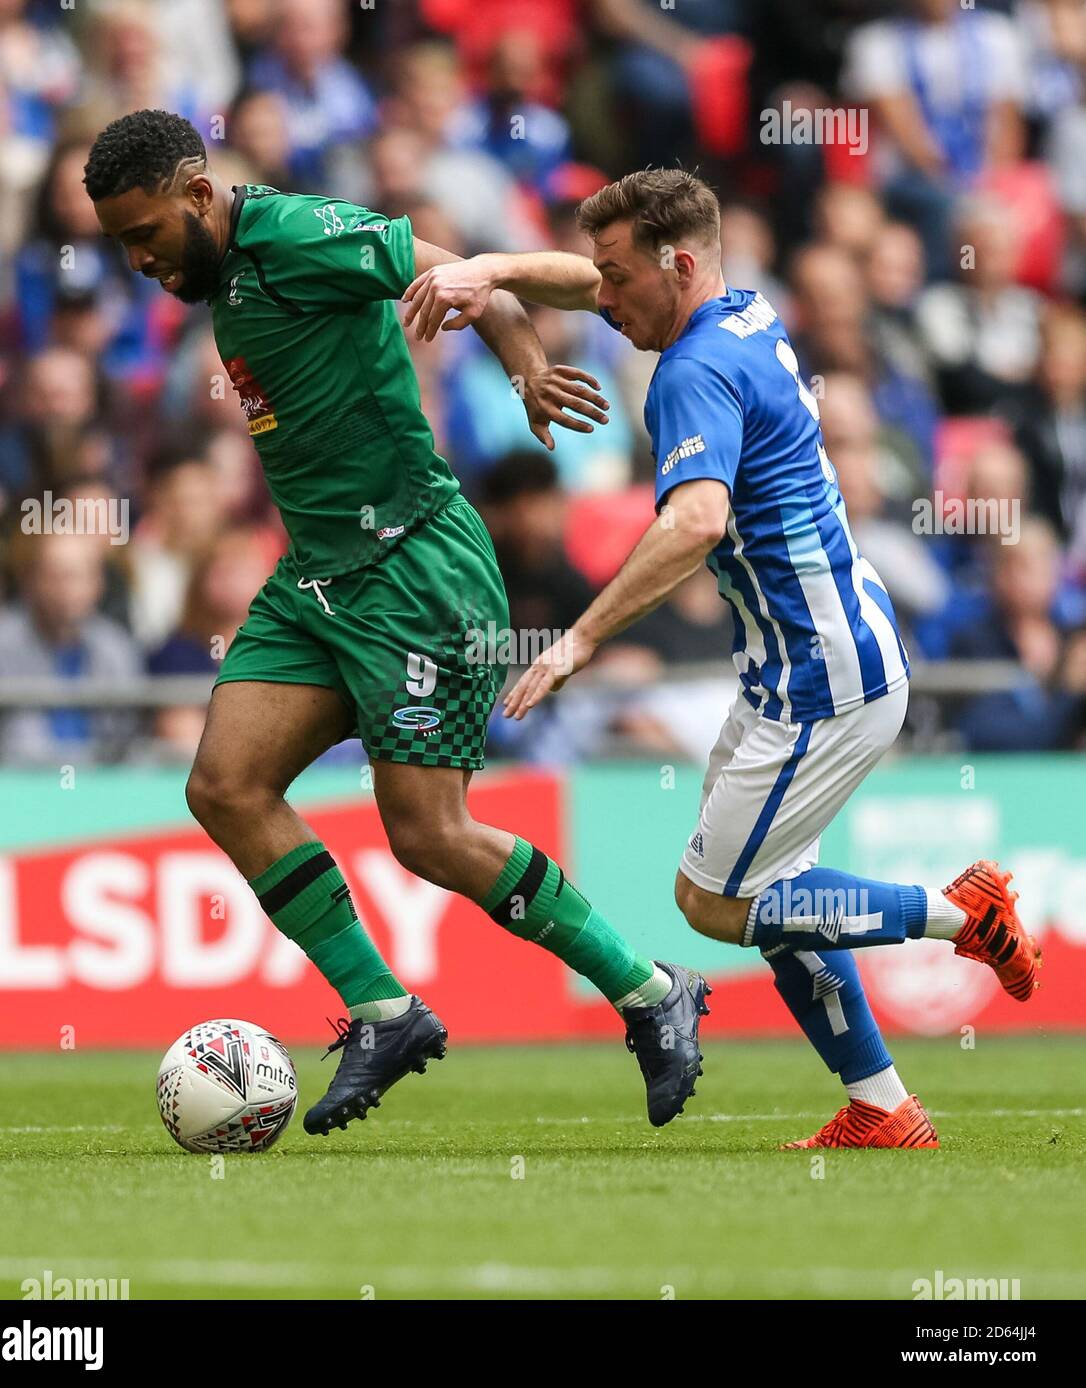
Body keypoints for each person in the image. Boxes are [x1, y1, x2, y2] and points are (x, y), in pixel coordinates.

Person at [84, 109, 710, 1135]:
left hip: (415, 568)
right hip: (319, 580)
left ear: (199, 194)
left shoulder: (299, 234)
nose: (139, 258)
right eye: (121, 242)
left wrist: (520, 365)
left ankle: (650, 989)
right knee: (227, 786)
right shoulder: (223, 270)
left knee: (428, 835)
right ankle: (384, 1009)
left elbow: (466, 276)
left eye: (145, 232)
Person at [404, 167, 1043, 1150]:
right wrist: (489, 269)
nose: (602, 298)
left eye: (618, 279)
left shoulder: (691, 372)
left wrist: (580, 636)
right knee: (780, 894)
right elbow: (582, 279)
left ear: (681, 263)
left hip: (820, 674)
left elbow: (696, 521)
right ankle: (881, 1102)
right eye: (601, 277)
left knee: (716, 900)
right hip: (817, 651)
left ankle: (960, 915)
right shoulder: (740, 311)